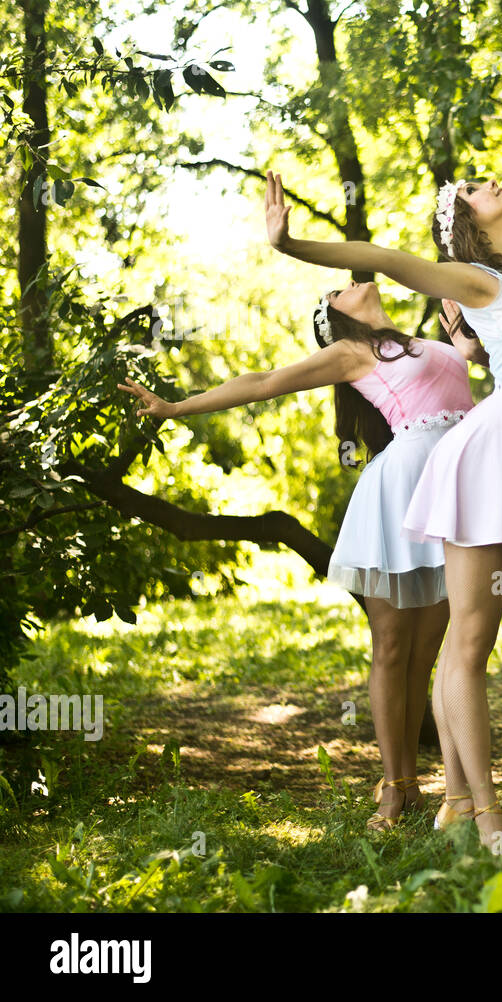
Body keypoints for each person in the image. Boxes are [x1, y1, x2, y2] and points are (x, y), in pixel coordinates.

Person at [262, 172, 502, 849]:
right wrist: (291, 242)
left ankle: (456, 801)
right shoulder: (472, 278)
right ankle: (485, 813)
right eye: (479, 185)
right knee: (468, 645)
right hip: (488, 456)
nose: (497, 181)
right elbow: (386, 258)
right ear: (468, 221)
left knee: (469, 641)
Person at [120, 279, 480, 832]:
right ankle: (395, 786)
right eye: (339, 286)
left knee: (425, 656)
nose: (355, 279)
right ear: (335, 316)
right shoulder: (352, 352)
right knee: (391, 647)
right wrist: (176, 407)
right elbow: (264, 382)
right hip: (400, 495)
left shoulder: (429, 337)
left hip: (455, 493)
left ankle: (424, 785)